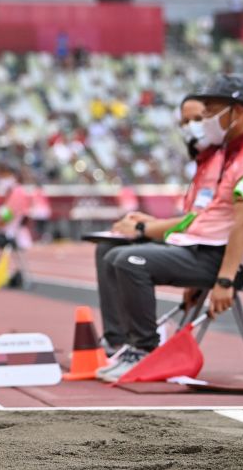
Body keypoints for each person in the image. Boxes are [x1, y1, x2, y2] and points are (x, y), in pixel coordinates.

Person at [95, 75, 243, 382]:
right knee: (115, 255)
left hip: (218, 257)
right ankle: (130, 346)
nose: (207, 119)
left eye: (210, 111)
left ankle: (143, 350)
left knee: (129, 260)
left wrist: (224, 279)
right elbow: (211, 217)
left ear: (236, 111)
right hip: (202, 247)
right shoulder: (238, 151)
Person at [94, 95, 223, 357]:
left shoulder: (224, 162)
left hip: (207, 250)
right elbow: (192, 218)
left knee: (126, 257)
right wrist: (150, 223)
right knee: (108, 246)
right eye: (185, 121)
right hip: (192, 241)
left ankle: (143, 348)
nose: (191, 126)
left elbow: (200, 222)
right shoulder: (203, 162)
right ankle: (117, 341)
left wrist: (144, 230)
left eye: (198, 119)